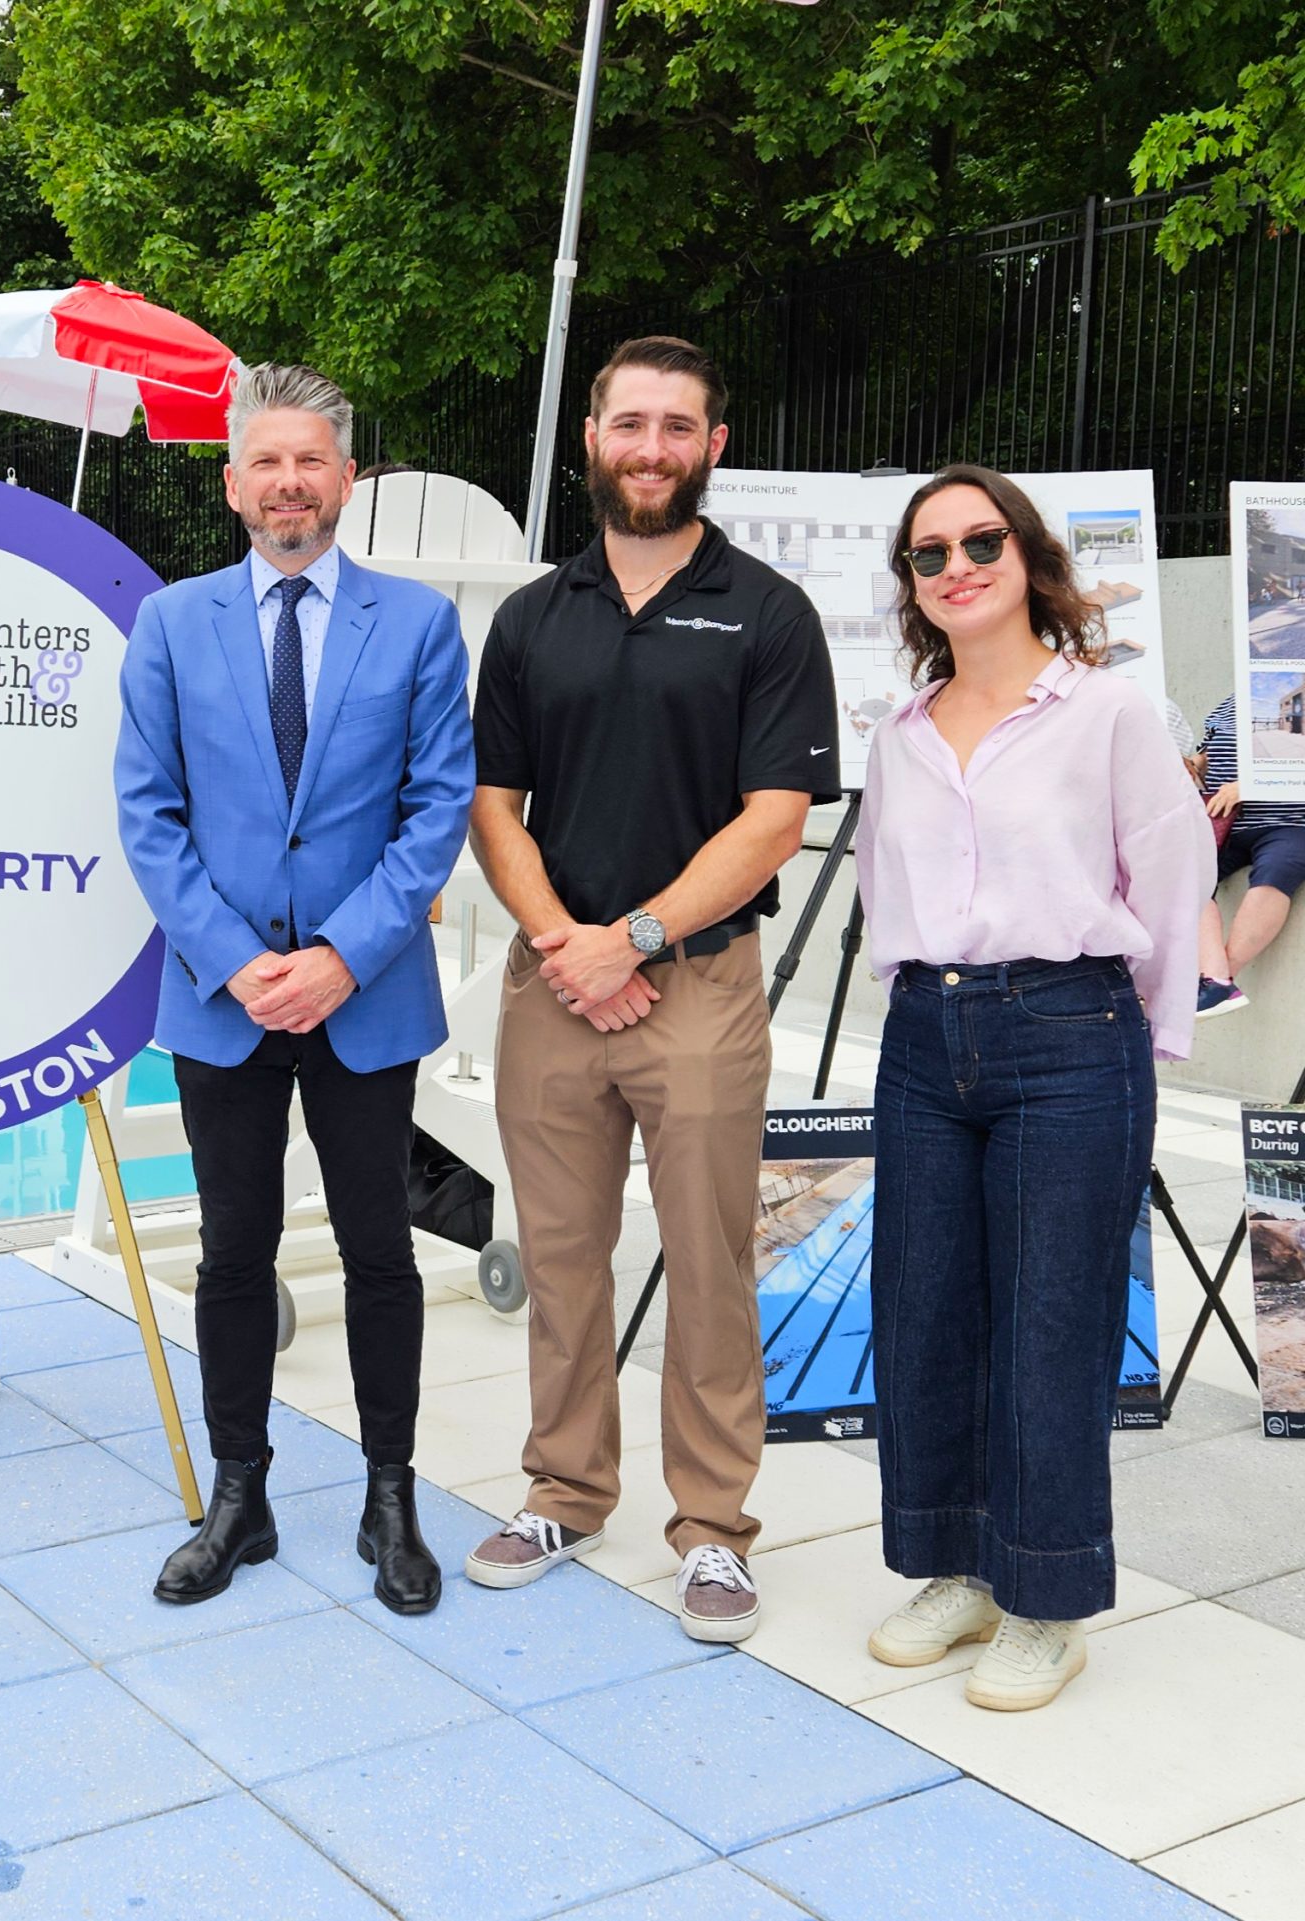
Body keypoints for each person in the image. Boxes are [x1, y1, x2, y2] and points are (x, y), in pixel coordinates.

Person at [462, 336, 839, 1643]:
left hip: (697, 986)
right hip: (553, 978)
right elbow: (491, 808)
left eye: (680, 425)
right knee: (562, 1256)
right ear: (592, 436)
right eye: (632, 423)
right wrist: (571, 939)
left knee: (712, 1262)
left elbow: (775, 819)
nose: (653, 447)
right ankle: (564, 1489)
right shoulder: (533, 616)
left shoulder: (769, 611)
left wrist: (634, 937)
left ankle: (714, 1529)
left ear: (713, 444)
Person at [115, 363, 475, 1614]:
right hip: (223, 998)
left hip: (362, 996)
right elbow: (147, 815)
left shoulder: (417, 624)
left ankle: (390, 1496)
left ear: (347, 478)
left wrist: (339, 958)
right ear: (231, 484)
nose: (287, 484)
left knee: (381, 1250)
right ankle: (240, 1493)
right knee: (231, 1252)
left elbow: (435, 810)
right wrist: (236, 961)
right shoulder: (172, 623)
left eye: (309, 461)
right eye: (264, 463)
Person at [856, 464, 1210, 1710]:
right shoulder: (895, 735)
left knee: (1051, 1322)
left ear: (1026, 554)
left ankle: (1047, 1596)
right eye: (926, 553)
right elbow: (879, 900)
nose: (954, 566)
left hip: (1069, 1032)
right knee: (924, 1309)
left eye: (978, 541)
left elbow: (1172, 879)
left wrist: (1137, 1055)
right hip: (923, 1033)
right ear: (909, 586)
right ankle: (957, 1562)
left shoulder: (1107, 712)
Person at [1193, 693, 1305, 1016]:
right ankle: (1217, 980)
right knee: (1183, 873)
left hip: (1290, 821)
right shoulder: (1230, 700)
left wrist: (1253, 784)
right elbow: (1208, 754)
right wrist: (1192, 765)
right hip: (1225, 821)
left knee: (1278, 868)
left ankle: (1216, 979)